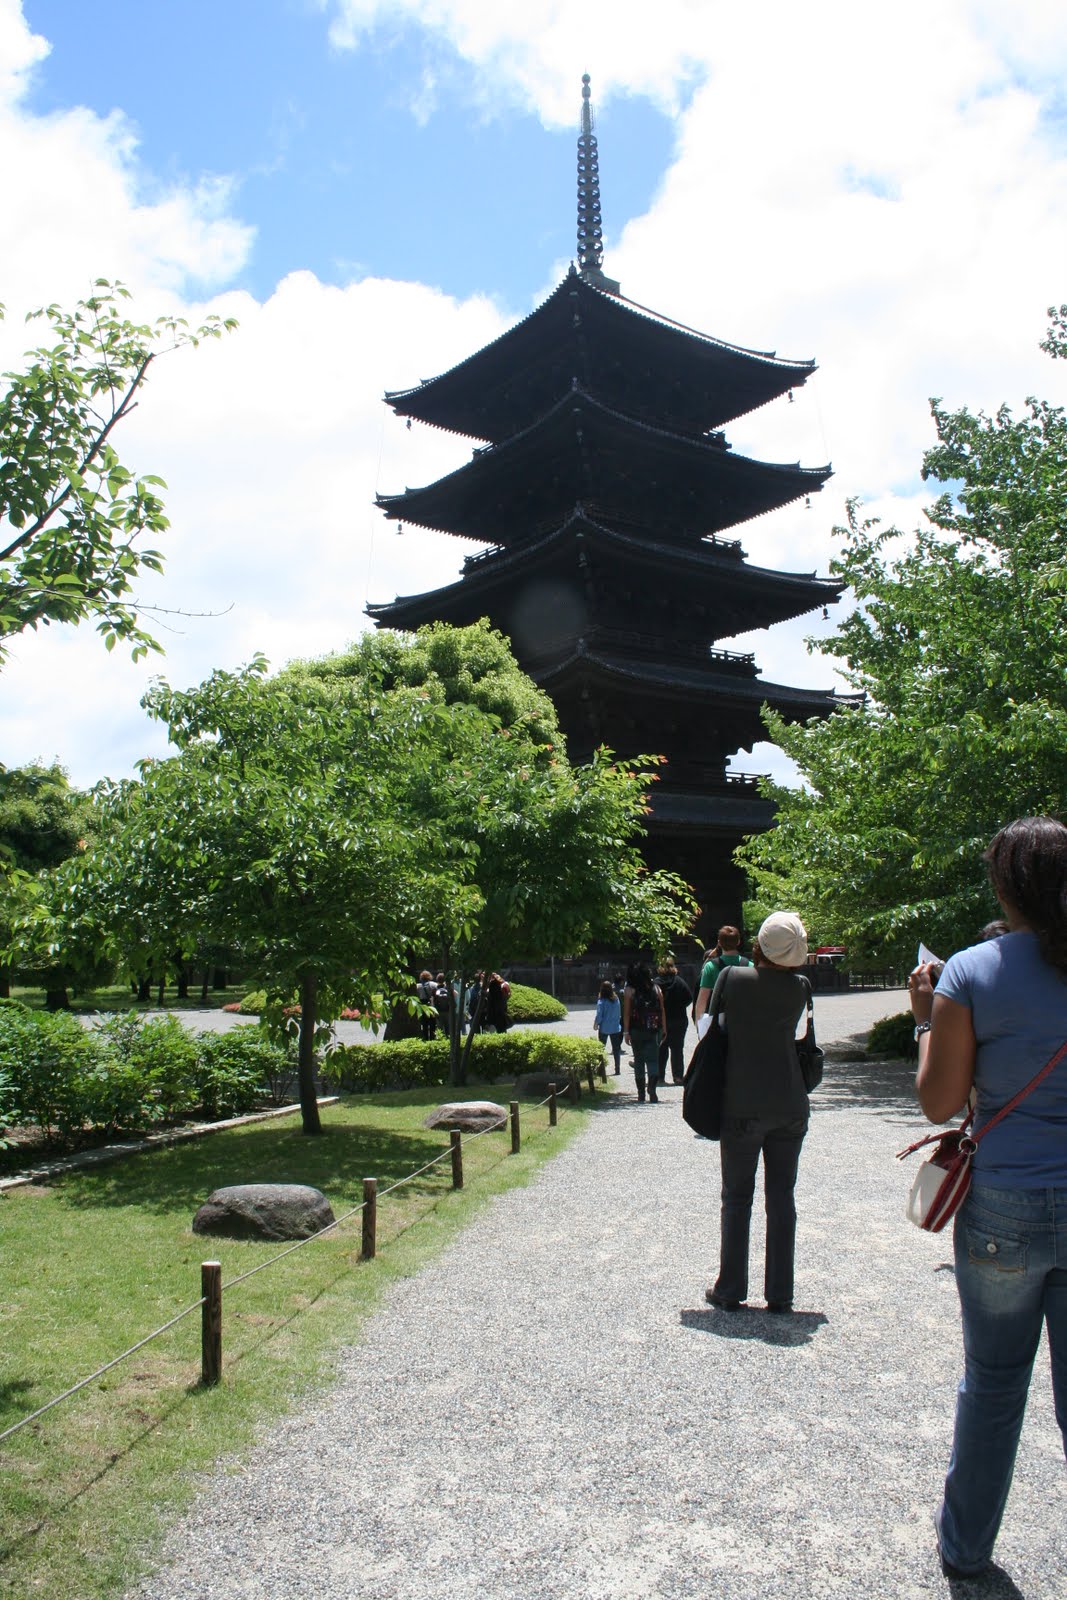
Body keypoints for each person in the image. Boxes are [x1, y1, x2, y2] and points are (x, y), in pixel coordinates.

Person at [908, 816, 1067, 1581]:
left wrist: (925, 1026)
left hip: (1005, 1198)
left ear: (1004, 885)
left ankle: (966, 1550)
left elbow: (939, 1104)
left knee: (995, 1386)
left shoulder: (969, 971)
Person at [705, 911, 811, 1313]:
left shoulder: (733, 979)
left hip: (743, 1101)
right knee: (782, 1196)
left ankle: (730, 1288)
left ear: (761, 945)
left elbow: (713, 1023)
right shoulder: (801, 987)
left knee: (737, 1197)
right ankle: (780, 1293)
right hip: (790, 1102)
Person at [623, 963, 666, 1103]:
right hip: (653, 1029)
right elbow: (662, 1010)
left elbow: (627, 1013)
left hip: (636, 1029)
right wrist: (664, 1028)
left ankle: (641, 1093)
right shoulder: (657, 989)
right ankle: (652, 1089)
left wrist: (626, 1031)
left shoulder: (629, 990)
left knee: (639, 1060)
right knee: (653, 1060)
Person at [694, 925, 752, 1022]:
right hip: (744, 1021)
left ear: (719, 943)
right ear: (738, 942)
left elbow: (702, 1001)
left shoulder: (710, 967)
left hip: (719, 1023)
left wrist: (699, 1025)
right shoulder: (750, 966)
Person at [657, 960, 693, 1085]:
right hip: (679, 1019)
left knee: (661, 1049)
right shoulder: (680, 982)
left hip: (661, 1020)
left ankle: (660, 1077)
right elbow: (689, 998)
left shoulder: (656, 983)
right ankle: (678, 1076)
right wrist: (680, 1005)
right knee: (677, 1049)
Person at [594, 979, 623, 1073]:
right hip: (615, 1027)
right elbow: (619, 1012)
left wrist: (596, 1024)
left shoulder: (601, 1001)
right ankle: (617, 1069)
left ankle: (600, 1069)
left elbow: (599, 1015)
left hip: (604, 1028)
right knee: (616, 1049)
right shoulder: (616, 999)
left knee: (601, 1048)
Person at [416, 970, 437, 1041]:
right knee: (432, 1023)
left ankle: (425, 1038)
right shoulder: (434, 984)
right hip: (431, 1005)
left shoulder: (418, 986)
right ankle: (432, 1037)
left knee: (424, 1023)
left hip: (421, 1006)